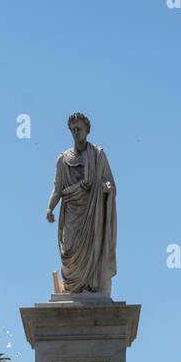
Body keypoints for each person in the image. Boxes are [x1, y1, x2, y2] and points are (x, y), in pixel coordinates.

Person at [46, 113, 117, 295]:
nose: (76, 133)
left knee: (93, 249)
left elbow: (109, 182)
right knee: (68, 253)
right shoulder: (63, 159)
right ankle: (72, 289)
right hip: (71, 212)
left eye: (79, 129)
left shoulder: (98, 155)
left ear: (88, 130)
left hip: (92, 213)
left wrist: (107, 187)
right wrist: (49, 208)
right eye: (73, 129)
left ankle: (91, 287)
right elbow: (57, 187)